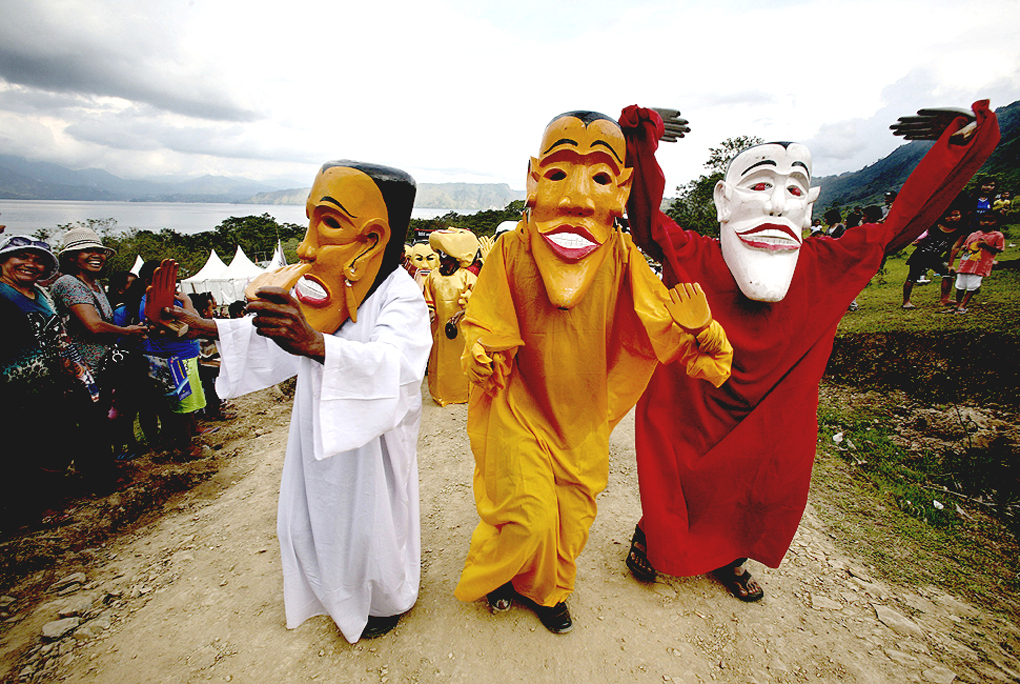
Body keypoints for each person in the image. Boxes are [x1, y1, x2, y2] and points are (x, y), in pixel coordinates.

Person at [617, 100, 998, 602]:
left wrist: (959, 148)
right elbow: (646, 222)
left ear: (809, 206)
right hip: (699, 403)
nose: (777, 204)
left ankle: (732, 556)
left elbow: (899, 226)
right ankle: (654, 536)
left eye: (793, 189)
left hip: (777, 413)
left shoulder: (825, 266)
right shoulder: (697, 256)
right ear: (724, 201)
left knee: (765, 483)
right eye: (759, 186)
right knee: (678, 470)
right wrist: (637, 143)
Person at [454, 111, 733, 634]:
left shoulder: (624, 259)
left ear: (621, 190)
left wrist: (700, 332)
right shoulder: (511, 249)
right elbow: (483, 320)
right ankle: (501, 572)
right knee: (526, 513)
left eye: (601, 177)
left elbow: (663, 325)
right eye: (559, 174)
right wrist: (482, 350)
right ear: (534, 179)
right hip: (518, 407)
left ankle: (546, 588)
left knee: (570, 521)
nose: (579, 197)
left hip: (582, 421)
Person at [167, 160, 431, 643]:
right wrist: (203, 328)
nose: (307, 245)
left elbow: (397, 368)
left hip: (372, 440)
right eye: (310, 221)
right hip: (316, 426)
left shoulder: (401, 297)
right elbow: (279, 334)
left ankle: (385, 599)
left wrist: (315, 344)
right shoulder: (330, 285)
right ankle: (334, 590)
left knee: (373, 519)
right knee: (319, 514)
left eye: (329, 223)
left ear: (372, 238)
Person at [50, 227, 147, 488]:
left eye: (100, 251)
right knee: (90, 422)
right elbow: (93, 325)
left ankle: (98, 469)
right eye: (88, 251)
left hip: (96, 367)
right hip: (80, 368)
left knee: (97, 419)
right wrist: (127, 331)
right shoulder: (68, 283)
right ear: (72, 257)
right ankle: (101, 477)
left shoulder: (94, 285)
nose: (97, 256)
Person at [0, 235, 73, 527]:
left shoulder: (42, 295)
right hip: (10, 386)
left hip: (48, 382)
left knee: (49, 442)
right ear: (3, 260)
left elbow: (58, 333)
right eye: (23, 257)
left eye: (39, 259)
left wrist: (69, 361)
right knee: (16, 448)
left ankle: (39, 501)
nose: (31, 264)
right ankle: (25, 512)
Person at [137, 260, 207, 460]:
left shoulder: (171, 300)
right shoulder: (151, 304)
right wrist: (187, 305)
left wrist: (185, 303)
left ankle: (188, 438)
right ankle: (185, 447)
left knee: (187, 402)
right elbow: (189, 326)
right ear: (148, 281)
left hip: (183, 356)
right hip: (173, 360)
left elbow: (194, 322)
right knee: (181, 404)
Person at [423, 227, 478, 406]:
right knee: (439, 360)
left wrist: (461, 313)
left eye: (445, 255)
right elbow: (428, 298)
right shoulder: (433, 276)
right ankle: (441, 393)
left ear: (454, 258)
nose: (441, 259)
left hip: (460, 330)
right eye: (440, 255)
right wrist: (430, 312)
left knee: (460, 361)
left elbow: (477, 302)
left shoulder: (468, 277)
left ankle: (462, 393)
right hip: (439, 328)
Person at [901, 201, 968, 308]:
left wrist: (950, 264)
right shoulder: (934, 225)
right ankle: (906, 302)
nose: (953, 218)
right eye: (949, 215)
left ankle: (944, 299)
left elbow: (955, 248)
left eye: (956, 215)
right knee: (912, 277)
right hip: (921, 255)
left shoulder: (961, 230)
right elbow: (921, 235)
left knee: (948, 273)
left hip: (935, 257)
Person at [952, 210, 1005, 313]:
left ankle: (963, 305)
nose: (986, 223)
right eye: (983, 220)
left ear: (996, 222)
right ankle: (958, 304)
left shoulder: (997, 235)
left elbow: (999, 249)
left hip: (980, 266)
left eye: (990, 220)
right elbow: (965, 246)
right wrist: (964, 248)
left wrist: (986, 246)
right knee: (960, 285)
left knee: (972, 286)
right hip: (966, 263)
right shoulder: (974, 234)